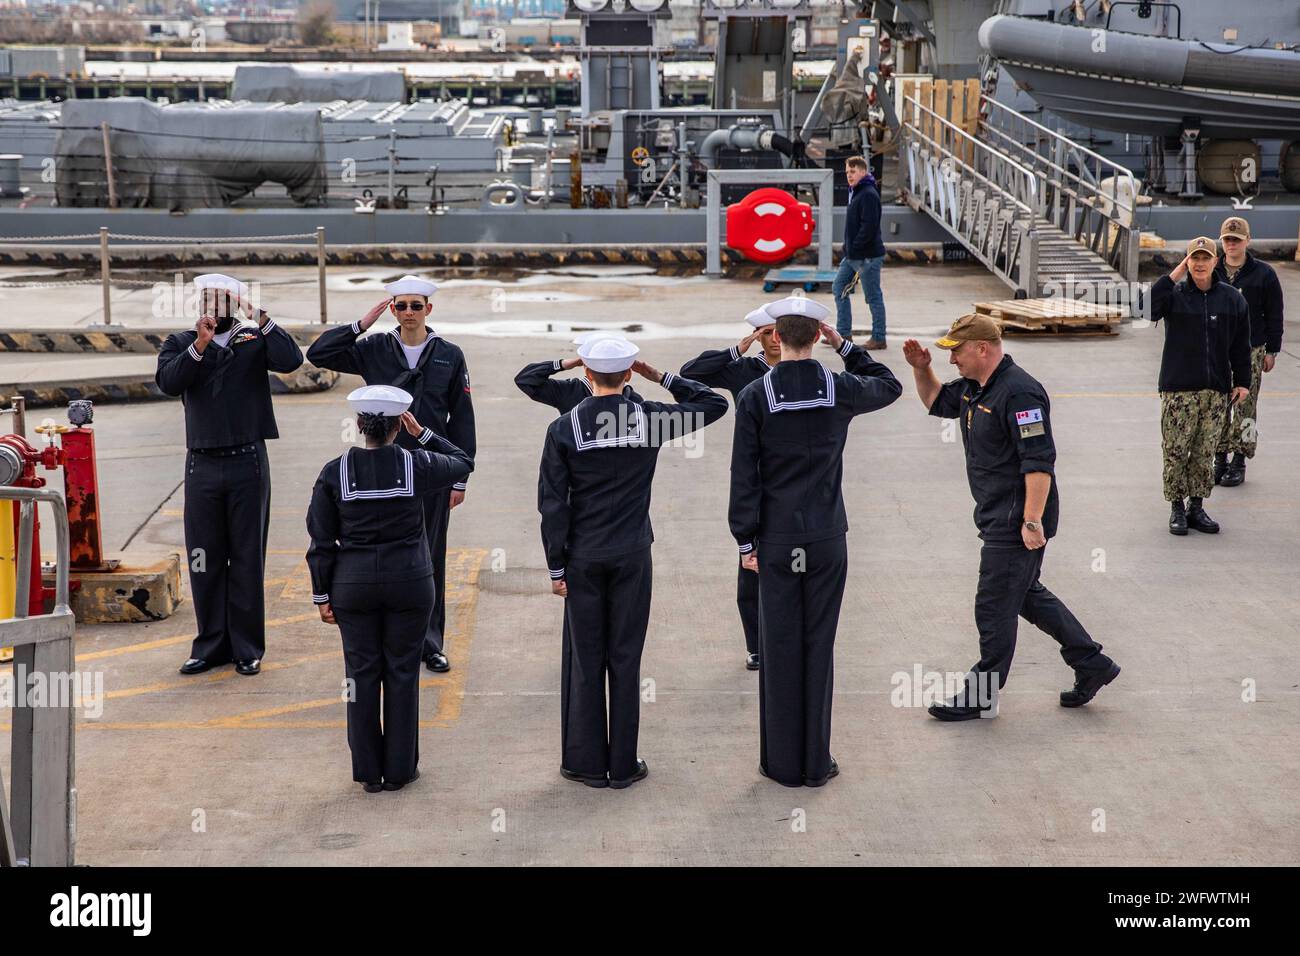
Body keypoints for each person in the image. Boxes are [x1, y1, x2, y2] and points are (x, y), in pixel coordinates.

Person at [901, 315, 1120, 721]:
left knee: (993, 606)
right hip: (996, 513)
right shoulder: (975, 386)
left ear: (982, 348)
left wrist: (1032, 520)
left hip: (1016, 519)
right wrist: (921, 368)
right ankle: (1091, 663)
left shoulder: (1019, 394)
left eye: (956, 351)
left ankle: (981, 693)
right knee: (1024, 595)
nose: (952, 360)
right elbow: (936, 402)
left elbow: (1039, 464)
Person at [538, 337, 728, 789]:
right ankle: (623, 765)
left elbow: (552, 505)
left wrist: (555, 566)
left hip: (582, 555)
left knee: (587, 657)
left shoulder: (563, 429)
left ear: (586, 376)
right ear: (627, 375)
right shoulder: (651, 419)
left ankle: (585, 762)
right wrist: (659, 375)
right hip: (631, 552)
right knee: (625, 656)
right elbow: (713, 403)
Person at [728, 296, 900, 786]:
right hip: (826, 536)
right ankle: (816, 762)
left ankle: (781, 763)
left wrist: (746, 541)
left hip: (777, 539)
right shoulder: (840, 388)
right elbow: (889, 385)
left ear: (776, 338)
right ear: (818, 336)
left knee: (779, 646)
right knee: (818, 644)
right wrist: (846, 346)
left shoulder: (756, 396)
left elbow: (745, 476)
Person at [306, 386, 473, 793]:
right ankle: (400, 770)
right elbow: (463, 461)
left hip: (354, 585)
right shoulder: (415, 464)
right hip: (410, 582)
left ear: (359, 425)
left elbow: (321, 540)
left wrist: (321, 595)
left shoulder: (334, 472)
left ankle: (369, 772)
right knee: (401, 671)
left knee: (361, 675)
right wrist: (425, 434)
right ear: (400, 424)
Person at [307, 275, 475, 673]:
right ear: (392, 310)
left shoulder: (449, 354)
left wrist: (460, 477)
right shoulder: (375, 347)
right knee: (379, 551)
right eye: (401, 306)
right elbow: (319, 354)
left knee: (430, 554)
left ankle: (430, 642)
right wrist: (360, 324)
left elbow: (463, 418)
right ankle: (387, 638)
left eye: (417, 306)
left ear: (429, 309)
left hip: (430, 468)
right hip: (380, 464)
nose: (409, 313)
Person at [155, 272, 303, 677]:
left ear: (234, 303)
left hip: (246, 461)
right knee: (204, 558)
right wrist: (200, 345)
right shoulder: (181, 343)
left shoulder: (252, 340)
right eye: (206, 299)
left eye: (221, 300)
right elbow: (168, 382)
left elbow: (292, 360)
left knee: (246, 557)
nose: (211, 307)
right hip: (202, 462)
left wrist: (259, 316)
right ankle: (210, 645)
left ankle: (247, 647)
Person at [680, 306, 784, 671]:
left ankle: (788, 641)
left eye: (779, 331)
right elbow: (691, 373)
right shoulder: (745, 371)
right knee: (751, 565)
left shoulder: (802, 372)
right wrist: (735, 351)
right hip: (753, 475)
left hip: (793, 476)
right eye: (766, 332)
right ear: (757, 336)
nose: (775, 338)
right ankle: (756, 645)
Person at [1149, 238, 1251, 535]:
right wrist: (1175, 274)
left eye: (1205, 258)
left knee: (1204, 452)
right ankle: (1177, 508)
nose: (1200, 263)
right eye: (1194, 258)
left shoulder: (1232, 299)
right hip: (1179, 391)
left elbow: (1240, 346)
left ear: (1215, 261)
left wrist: (1242, 381)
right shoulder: (1175, 295)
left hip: (1215, 391)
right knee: (1176, 451)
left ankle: (1197, 506)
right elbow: (1144, 309)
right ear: (1187, 262)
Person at [1213, 216, 1284, 487]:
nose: (1231, 244)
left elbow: (1274, 314)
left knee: (1245, 407)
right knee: (1218, 406)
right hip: (1218, 350)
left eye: (1237, 240)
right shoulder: (1213, 269)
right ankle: (1219, 457)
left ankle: (1239, 460)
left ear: (1247, 241)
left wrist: (1272, 350)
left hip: (1251, 349)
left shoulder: (1264, 274)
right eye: (1228, 240)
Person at [831, 155, 886, 349]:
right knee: (839, 288)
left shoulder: (868, 194)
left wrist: (854, 247)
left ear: (863, 172)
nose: (849, 175)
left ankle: (879, 337)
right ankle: (843, 334)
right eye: (847, 172)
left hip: (867, 256)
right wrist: (850, 249)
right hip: (854, 255)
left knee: (873, 296)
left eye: (853, 171)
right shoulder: (856, 192)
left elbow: (869, 227)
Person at [514, 331, 643, 414]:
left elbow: (525, 380)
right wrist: (659, 378)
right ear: (628, 373)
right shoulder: (634, 400)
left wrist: (562, 364)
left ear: (586, 369)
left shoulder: (569, 392)